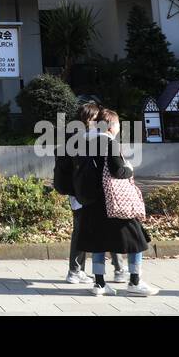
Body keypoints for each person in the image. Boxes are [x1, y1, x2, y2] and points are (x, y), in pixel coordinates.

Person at [70, 107, 158, 297]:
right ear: (111, 126)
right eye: (118, 124)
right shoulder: (109, 143)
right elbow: (118, 171)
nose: (119, 128)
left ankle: (100, 284)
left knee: (99, 244)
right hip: (113, 202)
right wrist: (130, 169)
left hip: (92, 202)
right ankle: (135, 281)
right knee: (137, 240)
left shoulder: (86, 142)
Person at [53, 102, 127, 284]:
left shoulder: (77, 139)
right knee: (94, 228)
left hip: (80, 193)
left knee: (88, 229)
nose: (100, 122)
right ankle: (84, 271)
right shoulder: (88, 140)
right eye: (96, 119)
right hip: (87, 193)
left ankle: (81, 270)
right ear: (88, 119)